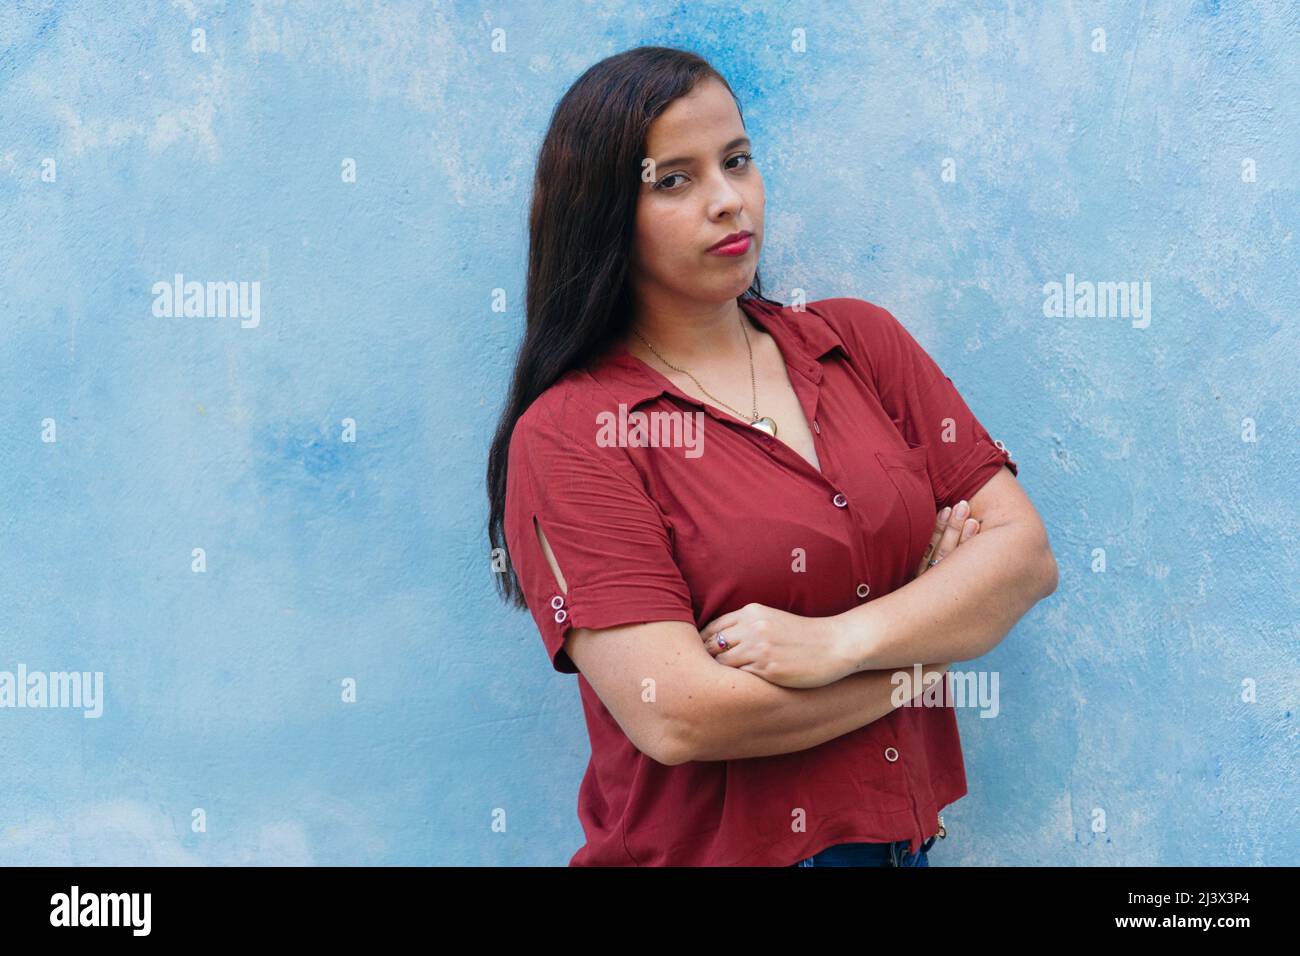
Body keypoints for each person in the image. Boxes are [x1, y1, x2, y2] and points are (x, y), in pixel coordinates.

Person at [485, 46, 1058, 866]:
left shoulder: (858, 344)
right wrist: (937, 627)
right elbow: (681, 714)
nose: (728, 201)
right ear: (602, 213)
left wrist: (836, 645)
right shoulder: (576, 432)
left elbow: (1025, 559)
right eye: (673, 180)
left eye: (738, 161)